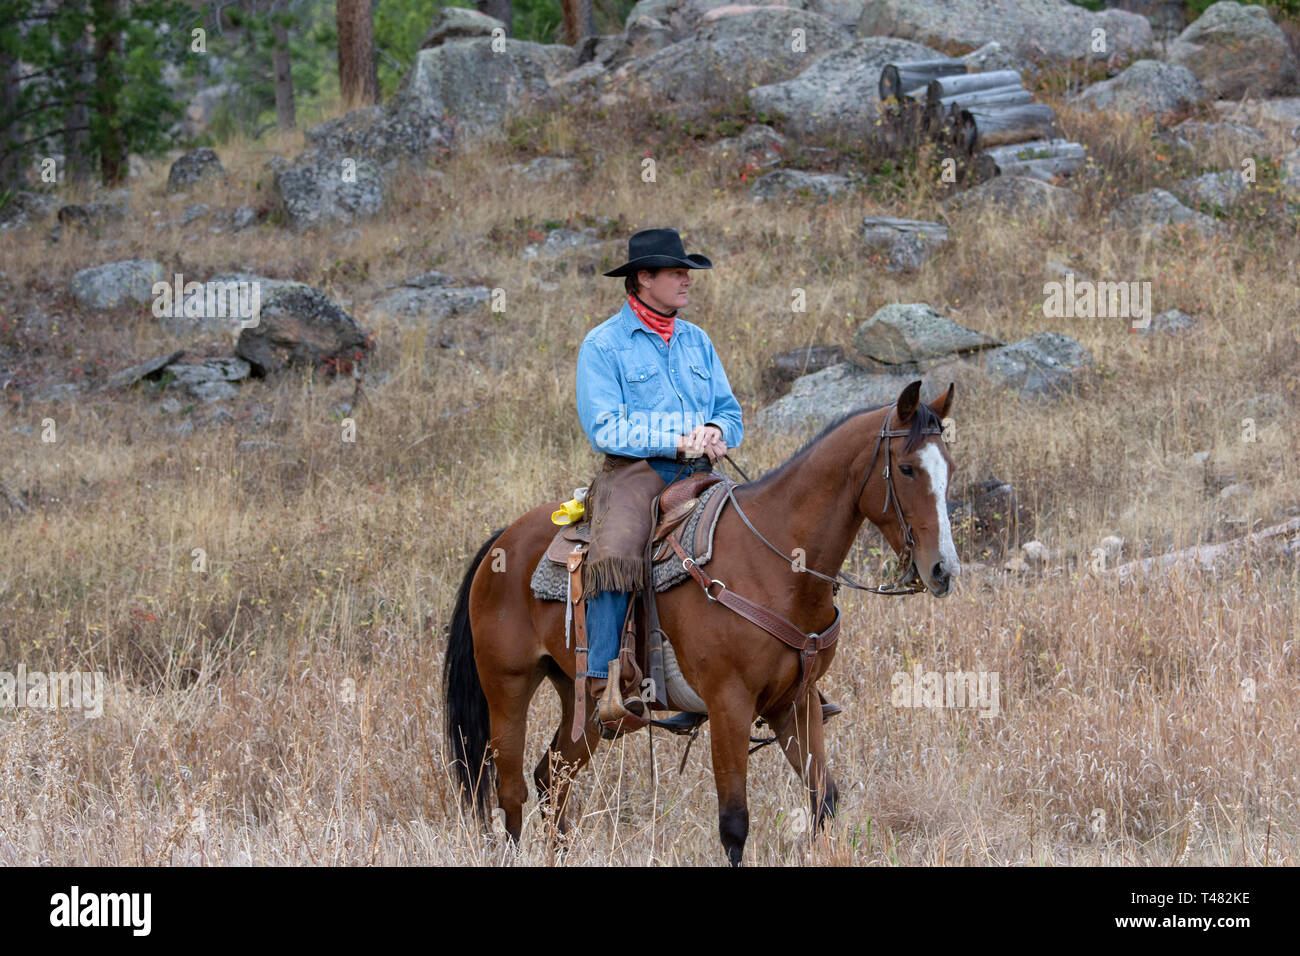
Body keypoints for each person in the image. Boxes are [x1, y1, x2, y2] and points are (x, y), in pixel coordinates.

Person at [575, 228, 743, 730]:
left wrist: (715, 429)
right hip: (635, 474)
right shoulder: (603, 345)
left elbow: (730, 413)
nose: (686, 281)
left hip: (702, 473)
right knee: (618, 549)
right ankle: (605, 683)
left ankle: (771, 673)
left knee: (764, 537)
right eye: (676, 272)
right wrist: (676, 439)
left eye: (686, 272)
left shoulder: (698, 341)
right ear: (643, 279)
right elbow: (605, 427)